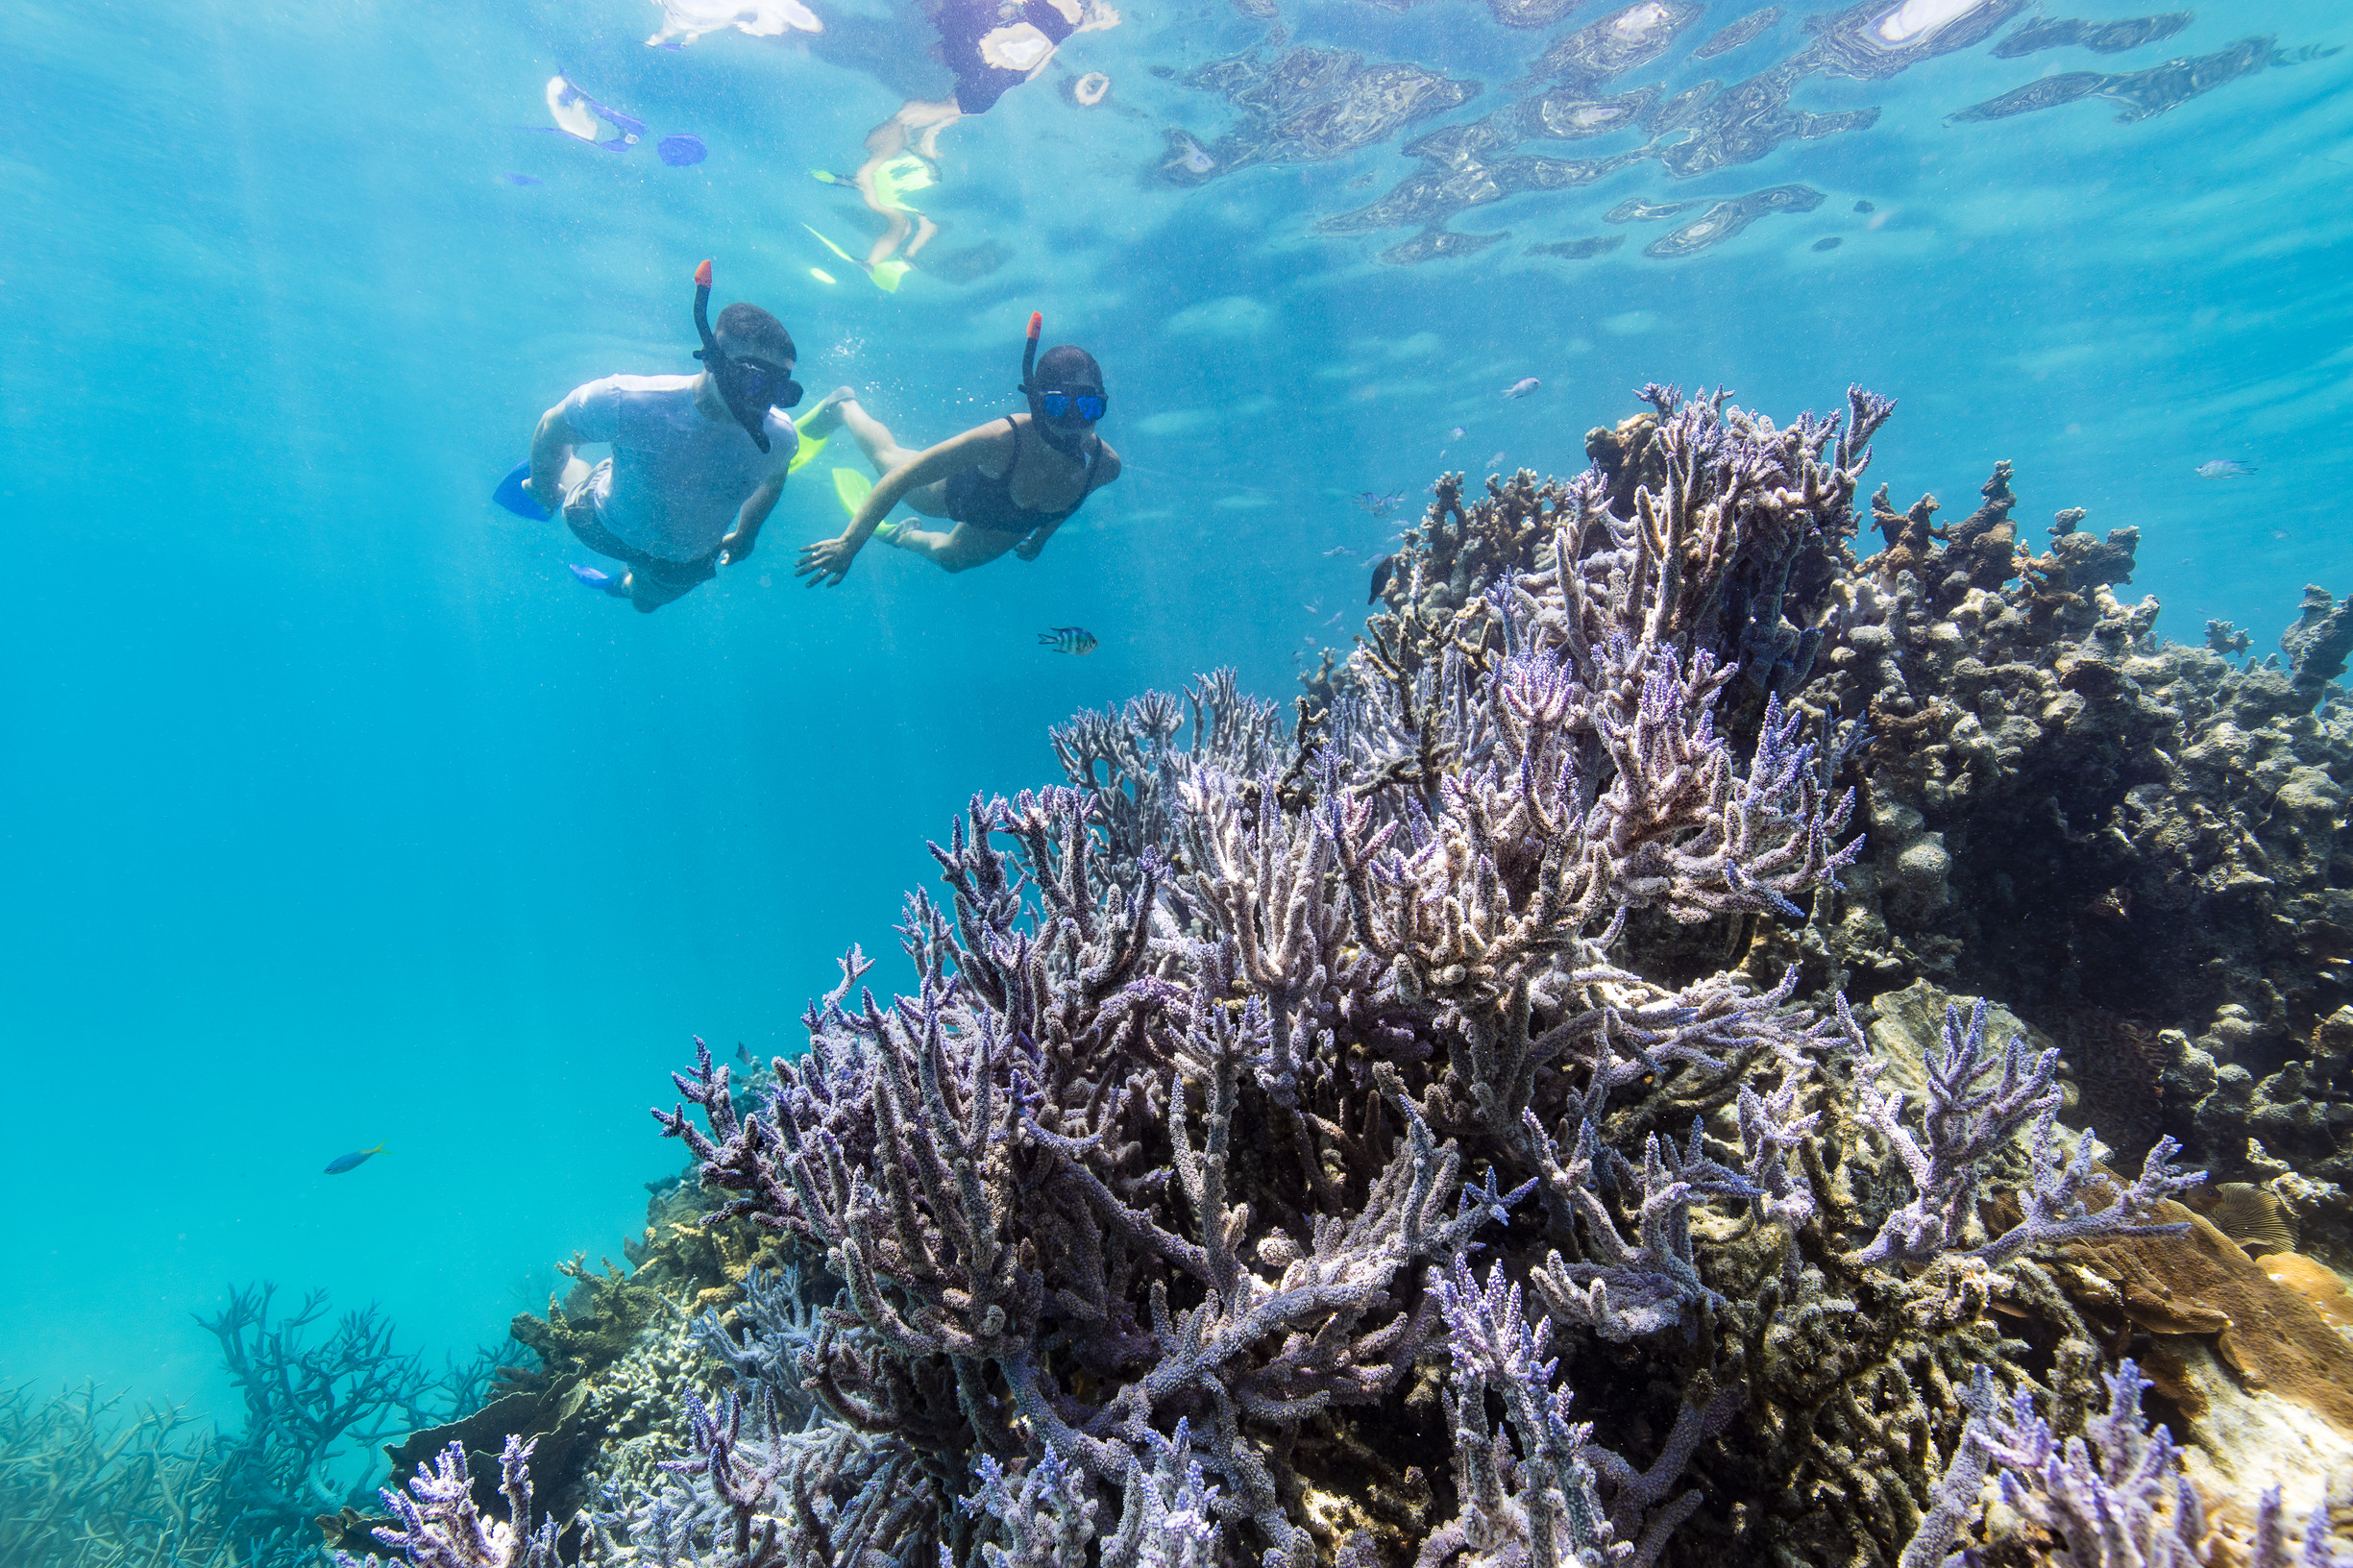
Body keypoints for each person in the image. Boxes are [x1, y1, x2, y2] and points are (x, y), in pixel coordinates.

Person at [522, 260, 802, 613]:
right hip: (601, 523)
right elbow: (552, 426)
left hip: (682, 560)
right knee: (573, 473)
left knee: (644, 603)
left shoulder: (780, 438)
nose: (763, 403)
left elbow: (774, 479)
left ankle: (620, 584)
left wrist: (748, 532)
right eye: (754, 382)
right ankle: (571, 459)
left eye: (780, 390)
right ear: (712, 359)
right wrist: (544, 484)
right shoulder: (627, 400)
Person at [793, 315, 1120, 585]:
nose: (1074, 422)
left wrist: (1042, 537)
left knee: (951, 561)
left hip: (1016, 522)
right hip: (949, 497)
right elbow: (900, 479)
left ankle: (899, 536)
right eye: (1059, 405)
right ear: (1037, 402)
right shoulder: (1000, 439)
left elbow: (1071, 499)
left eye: (1090, 407)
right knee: (887, 458)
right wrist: (850, 543)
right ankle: (845, 408)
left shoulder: (1104, 467)